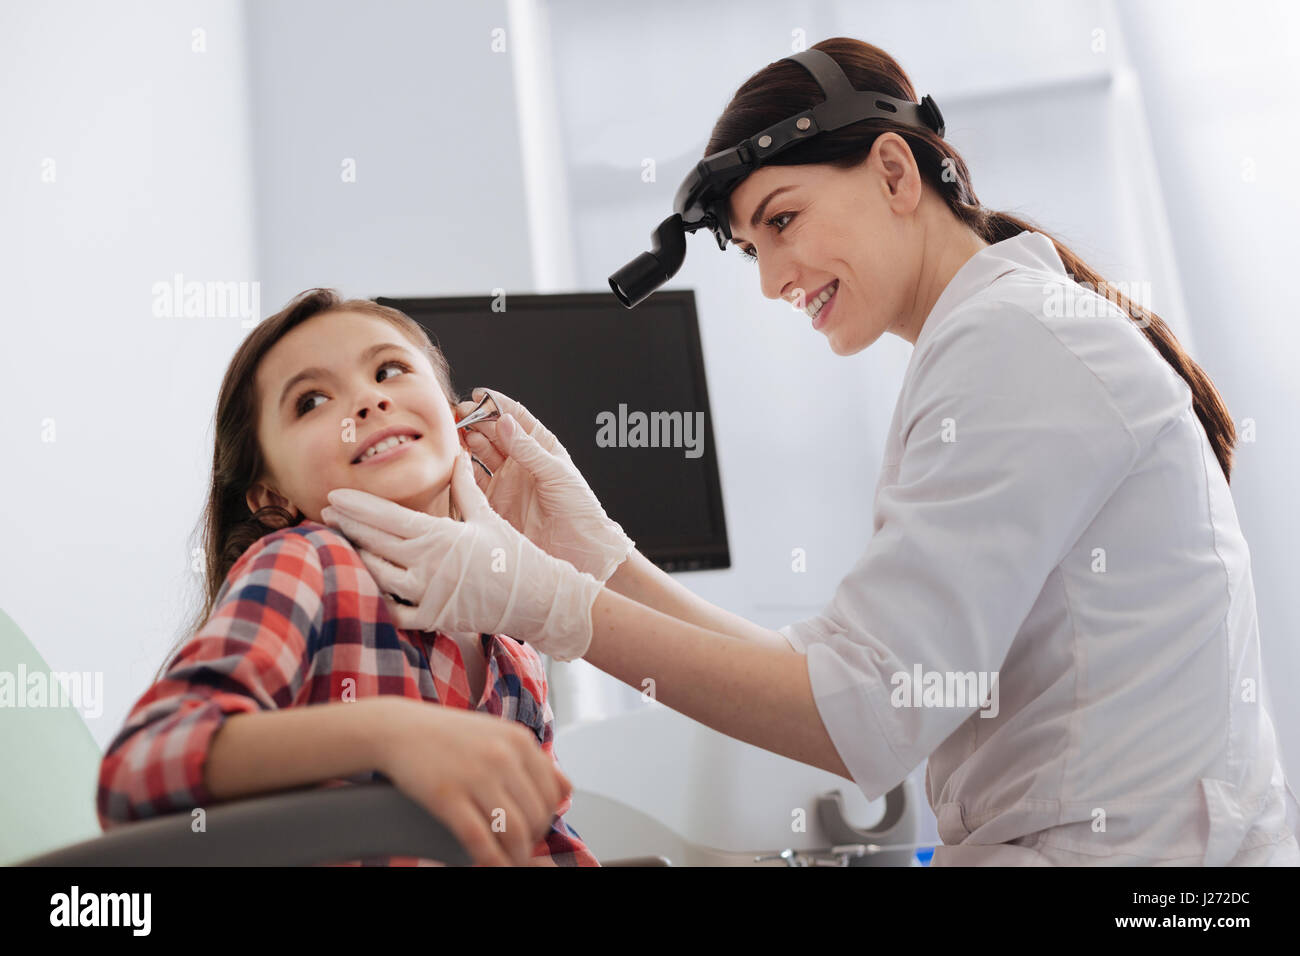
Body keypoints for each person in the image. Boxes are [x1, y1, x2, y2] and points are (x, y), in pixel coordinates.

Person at [319, 38, 1299, 866]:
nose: (771, 279)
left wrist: (546, 603)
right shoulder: (995, 337)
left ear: (892, 172)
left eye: (781, 220)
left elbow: (861, 716)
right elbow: (837, 678)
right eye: (751, 248)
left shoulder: (1015, 344)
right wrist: (602, 561)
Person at [97, 288, 596, 867]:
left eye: (390, 369)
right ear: (271, 496)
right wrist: (389, 731)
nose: (367, 401)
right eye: (310, 401)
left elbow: (547, 843)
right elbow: (139, 771)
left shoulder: (516, 654)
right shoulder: (305, 566)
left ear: (458, 421)